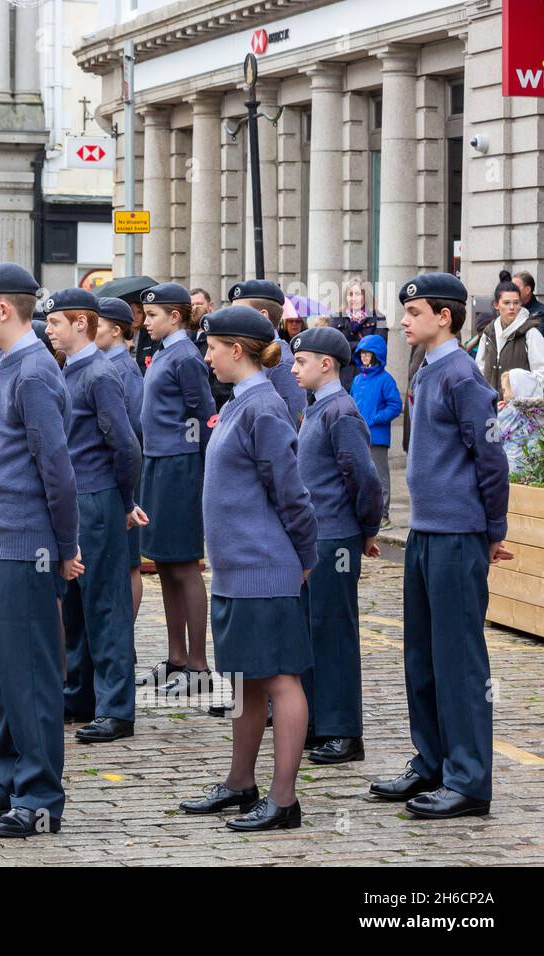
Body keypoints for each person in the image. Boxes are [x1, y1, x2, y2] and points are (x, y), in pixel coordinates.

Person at [368, 273, 510, 819]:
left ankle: (470, 780)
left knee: (459, 660)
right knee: (422, 656)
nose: (403, 321)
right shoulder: (427, 369)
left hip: (457, 534)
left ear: (444, 317)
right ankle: (431, 761)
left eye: (413, 312)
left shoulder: (463, 376)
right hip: (426, 532)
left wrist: (492, 529)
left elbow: (492, 458)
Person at [0, 262, 81, 839]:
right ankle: (7, 778)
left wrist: (65, 545)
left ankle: (40, 796)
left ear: (4, 309)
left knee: (30, 676)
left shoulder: (31, 372)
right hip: (0, 535)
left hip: (27, 543)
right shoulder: (9, 365)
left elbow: (58, 469)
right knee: (5, 672)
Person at [180, 305, 317, 831]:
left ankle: (284, 800)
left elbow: (293, 495)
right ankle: (241, 783)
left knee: (280, 679)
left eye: (212, 347)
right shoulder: (242, 403)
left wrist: (304, 560)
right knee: (243, 680)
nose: (207, 356)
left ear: (236, 349)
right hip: (238, 569)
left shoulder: (264, 407)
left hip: (265, 567)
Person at [45, 288, 145, 744]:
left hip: (98, 497)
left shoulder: (99, 374)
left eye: (56, 323)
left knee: (106, 603)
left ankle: (116, 706)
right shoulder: (74, 371)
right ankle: (80, 693)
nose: (49, 330)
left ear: (79, 324)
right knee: (78, 604)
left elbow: (125, 445)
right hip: (78, 499)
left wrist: (124, 501)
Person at [290, 327, 383, 765]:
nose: (293, 369)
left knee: (334, 633)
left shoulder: (341, 410)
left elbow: (363, 478)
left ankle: (343, 731)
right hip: (315, 536)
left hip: (335, 536)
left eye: (301, 361)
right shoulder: (318, 408)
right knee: (310, 630)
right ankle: (314, 721)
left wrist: (365, 529)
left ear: (325, 364)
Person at [135, 282, 214, 695]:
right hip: (158, 464)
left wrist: (199, 472)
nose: (145, 322)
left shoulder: (185, 357)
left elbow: (203, 416)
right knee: (164, 563)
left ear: (176, 317)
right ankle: (176, 658)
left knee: (183, 564)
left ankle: (198, 666)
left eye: (153, 315)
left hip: (180, 467)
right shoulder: (166, 352)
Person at [96, 296, 146, 619]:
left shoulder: (123, 370)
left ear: (115, 330)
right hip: (113, 476)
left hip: (120, 477)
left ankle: (124, 635)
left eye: (97, 325)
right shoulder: (109, 365)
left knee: (128, 563)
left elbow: (133, 429)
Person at [229, 281, 306, 424]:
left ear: (263, 316)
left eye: (239, 313)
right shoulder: (252, 353)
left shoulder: (282, 363)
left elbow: (293, 422)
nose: (232, 319)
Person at [351, 334, 402, 529]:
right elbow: (351, 402)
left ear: (376, 356)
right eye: (362, 354)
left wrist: (375, 418)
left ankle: (383, 515)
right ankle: (365, 513)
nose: (364, 357)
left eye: (368, 354)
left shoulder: (385, 379)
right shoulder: (357, 380)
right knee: (360, 475)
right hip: (359, 434)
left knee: (380, 477)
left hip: (377, 436)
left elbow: (395, 405)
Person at [477, 270, 544, 400]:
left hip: (519, 413)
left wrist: (523, 403)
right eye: (507, 303)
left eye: (516, 302)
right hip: (490, 407)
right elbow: (479, 371)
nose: (512, 307)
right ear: (497, 305)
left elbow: (541, 375)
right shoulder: (488, 333)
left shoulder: (531, 333)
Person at [499, 369, 544, 473]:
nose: (503, 395)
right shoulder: (540, 410)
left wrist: (495, 413)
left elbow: (493, 435)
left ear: (515, 389)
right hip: (535, 471)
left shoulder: (511, 410)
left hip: (511, 469)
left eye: (504, 390)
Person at [329, 278, 384, 344]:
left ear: (365, 296)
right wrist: (362, 346)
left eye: (358, 294)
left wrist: (347, 346)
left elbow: (378, 347)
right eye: (350, 294)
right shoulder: (336, 318)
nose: (353, 299)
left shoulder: (380, 319)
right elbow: (332, 346)